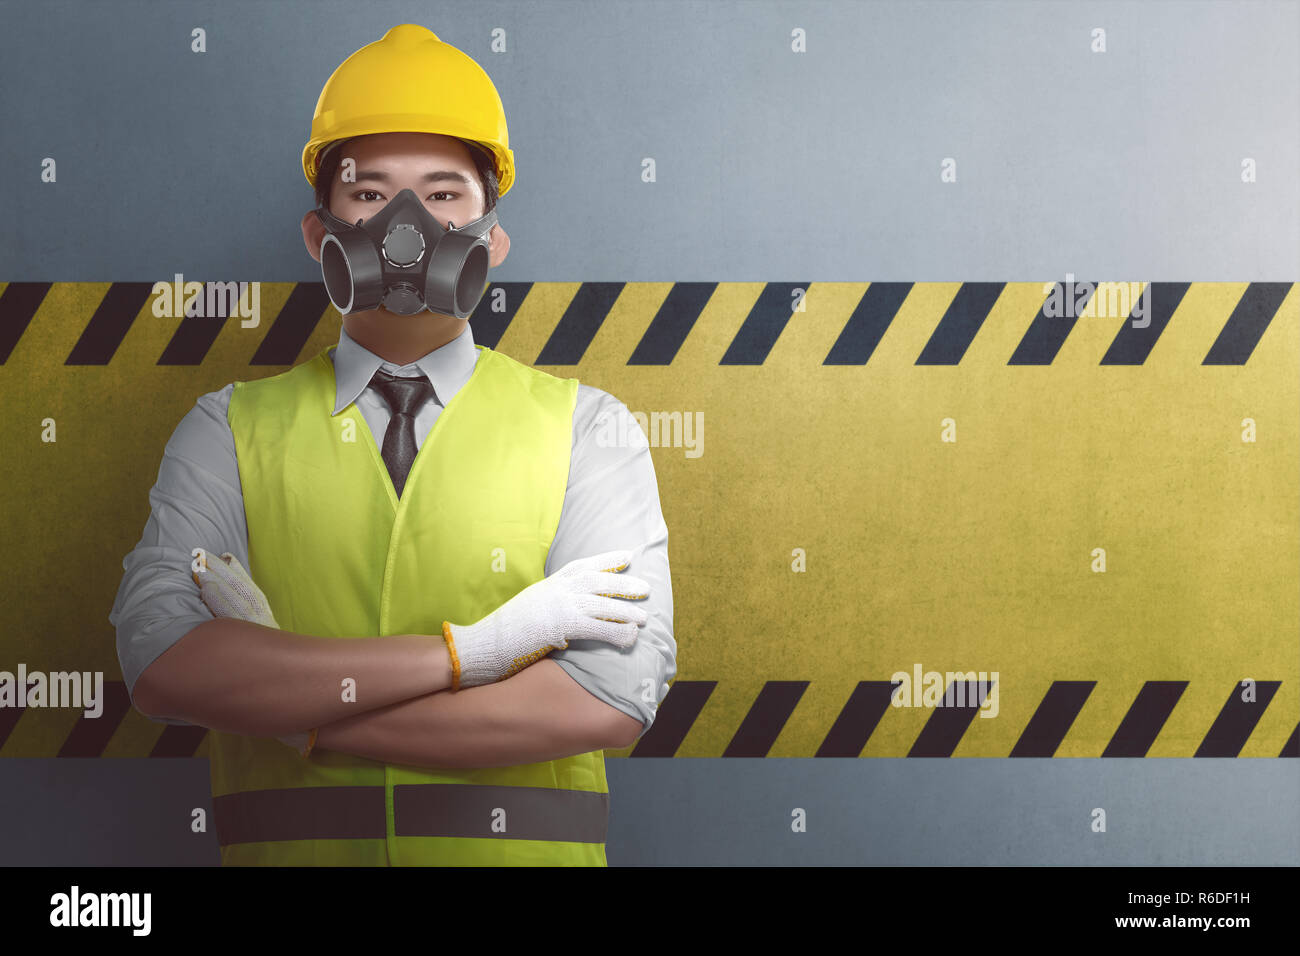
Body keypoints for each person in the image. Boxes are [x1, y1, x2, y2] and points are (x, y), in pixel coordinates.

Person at [109, 23, 676, 866]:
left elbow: (609, 696)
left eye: (444, 196)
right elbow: (161, 660)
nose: (408, 227)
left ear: (492, 238)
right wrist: (479, 652)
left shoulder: (590, 431)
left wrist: (298, 710)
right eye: (369, 195)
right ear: (320, 236)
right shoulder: (226, 431)